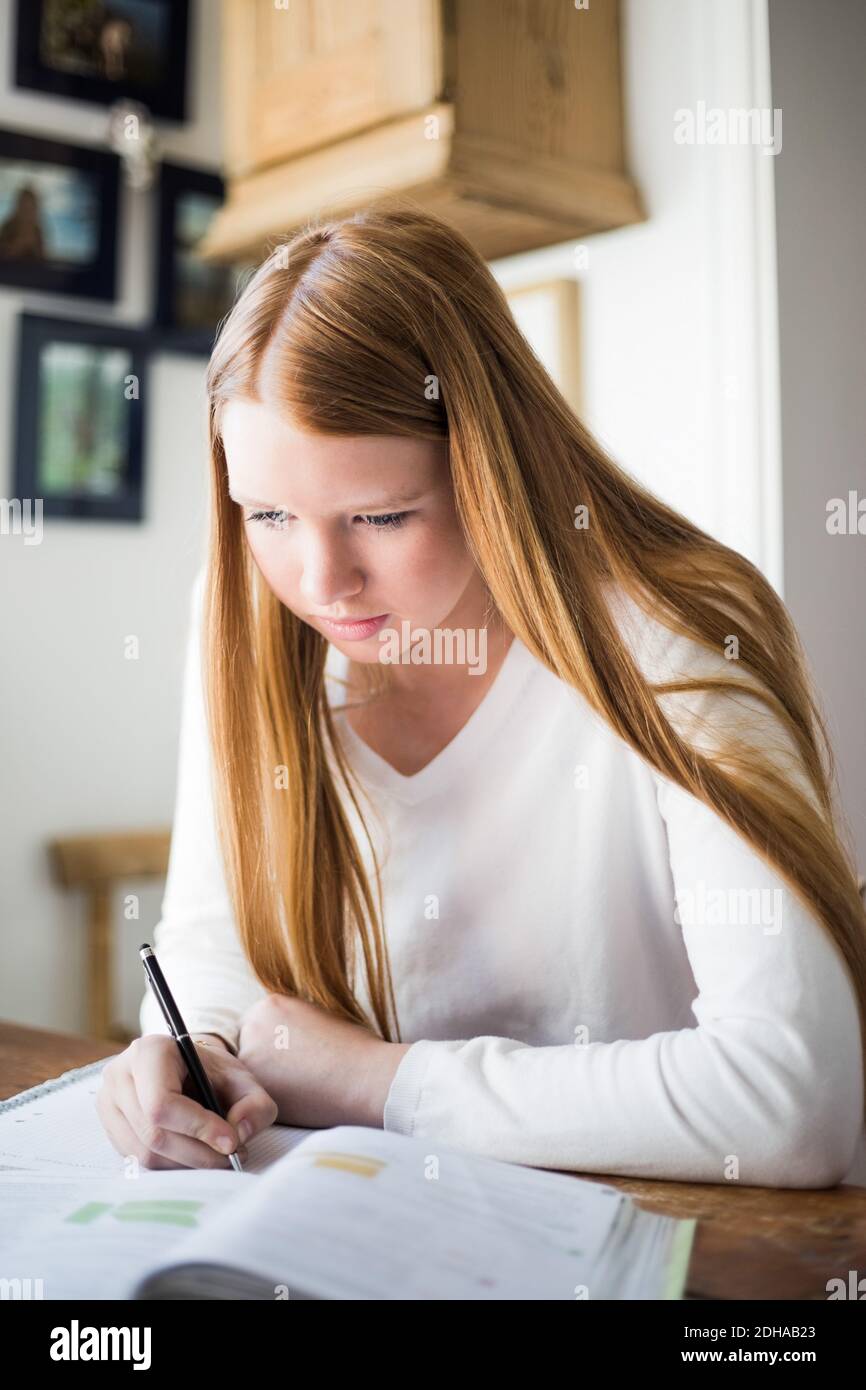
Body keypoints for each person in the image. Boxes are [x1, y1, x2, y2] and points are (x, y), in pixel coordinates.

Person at [97, 200, 866, 1187]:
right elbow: (214, 940)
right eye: (270, 513)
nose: (319, 580)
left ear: (486, 466)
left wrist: (383, 1084)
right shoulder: (242, 615)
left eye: (379, 514)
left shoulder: (673, 641)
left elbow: (790, 1100)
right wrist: (194, 1048)